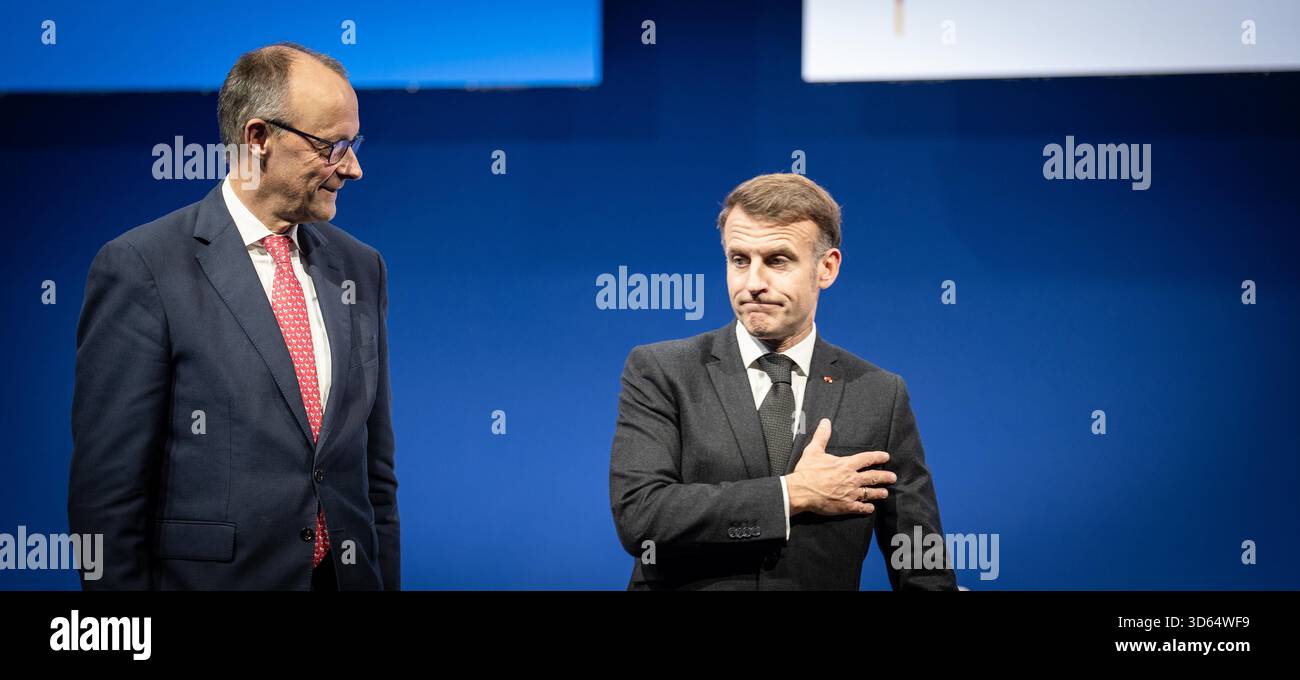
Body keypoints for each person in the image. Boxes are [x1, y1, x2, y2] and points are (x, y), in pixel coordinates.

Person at [69, 42, 398, 590]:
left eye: (353, 143)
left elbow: (375, 478)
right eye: (332, 146)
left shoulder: (361, 269)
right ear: (258, 139)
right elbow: (107, 499)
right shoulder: (143, 267)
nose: (354, 168)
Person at [610, 173, 955, 590]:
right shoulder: (662, 370)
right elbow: (641, 515)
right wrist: (792, 494)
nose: (753, 282)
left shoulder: (880, 393)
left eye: (777, 260)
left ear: (826, 267)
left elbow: (918, 556)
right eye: (739, 260)